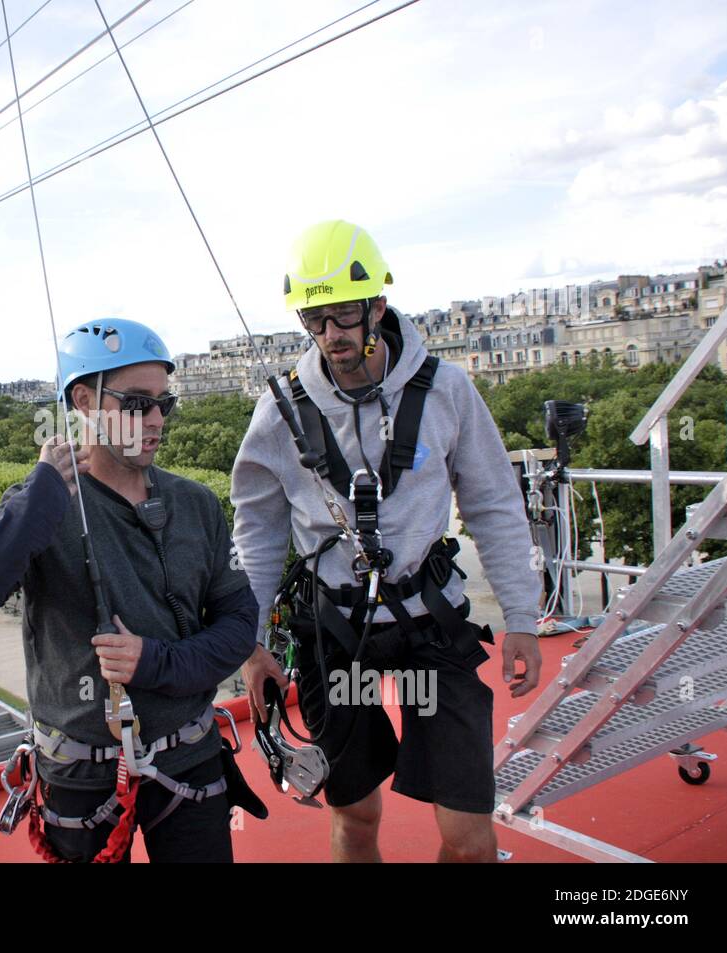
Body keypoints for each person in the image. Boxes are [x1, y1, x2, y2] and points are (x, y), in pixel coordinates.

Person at [231, 220, 544, 864]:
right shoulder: (280, 412)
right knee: (356, 819)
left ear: (378, 304)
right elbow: (257, 535)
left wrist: (522, 618)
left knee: (468, 841)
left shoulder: (446, 391)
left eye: (343, 315)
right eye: (314, 320)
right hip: (338, 632)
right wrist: (253, 643)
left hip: (430, 624)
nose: (329, 336)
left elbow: (493, 505)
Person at [0, 318, 260, 863]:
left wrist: (155, 661)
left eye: (165, 403)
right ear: (84, 401)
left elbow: (237, 626)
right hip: (81, 774)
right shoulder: (42, 507)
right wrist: (37, 500)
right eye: (137, 403)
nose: (156, 420)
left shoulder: (197, 504)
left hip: (189, 759)